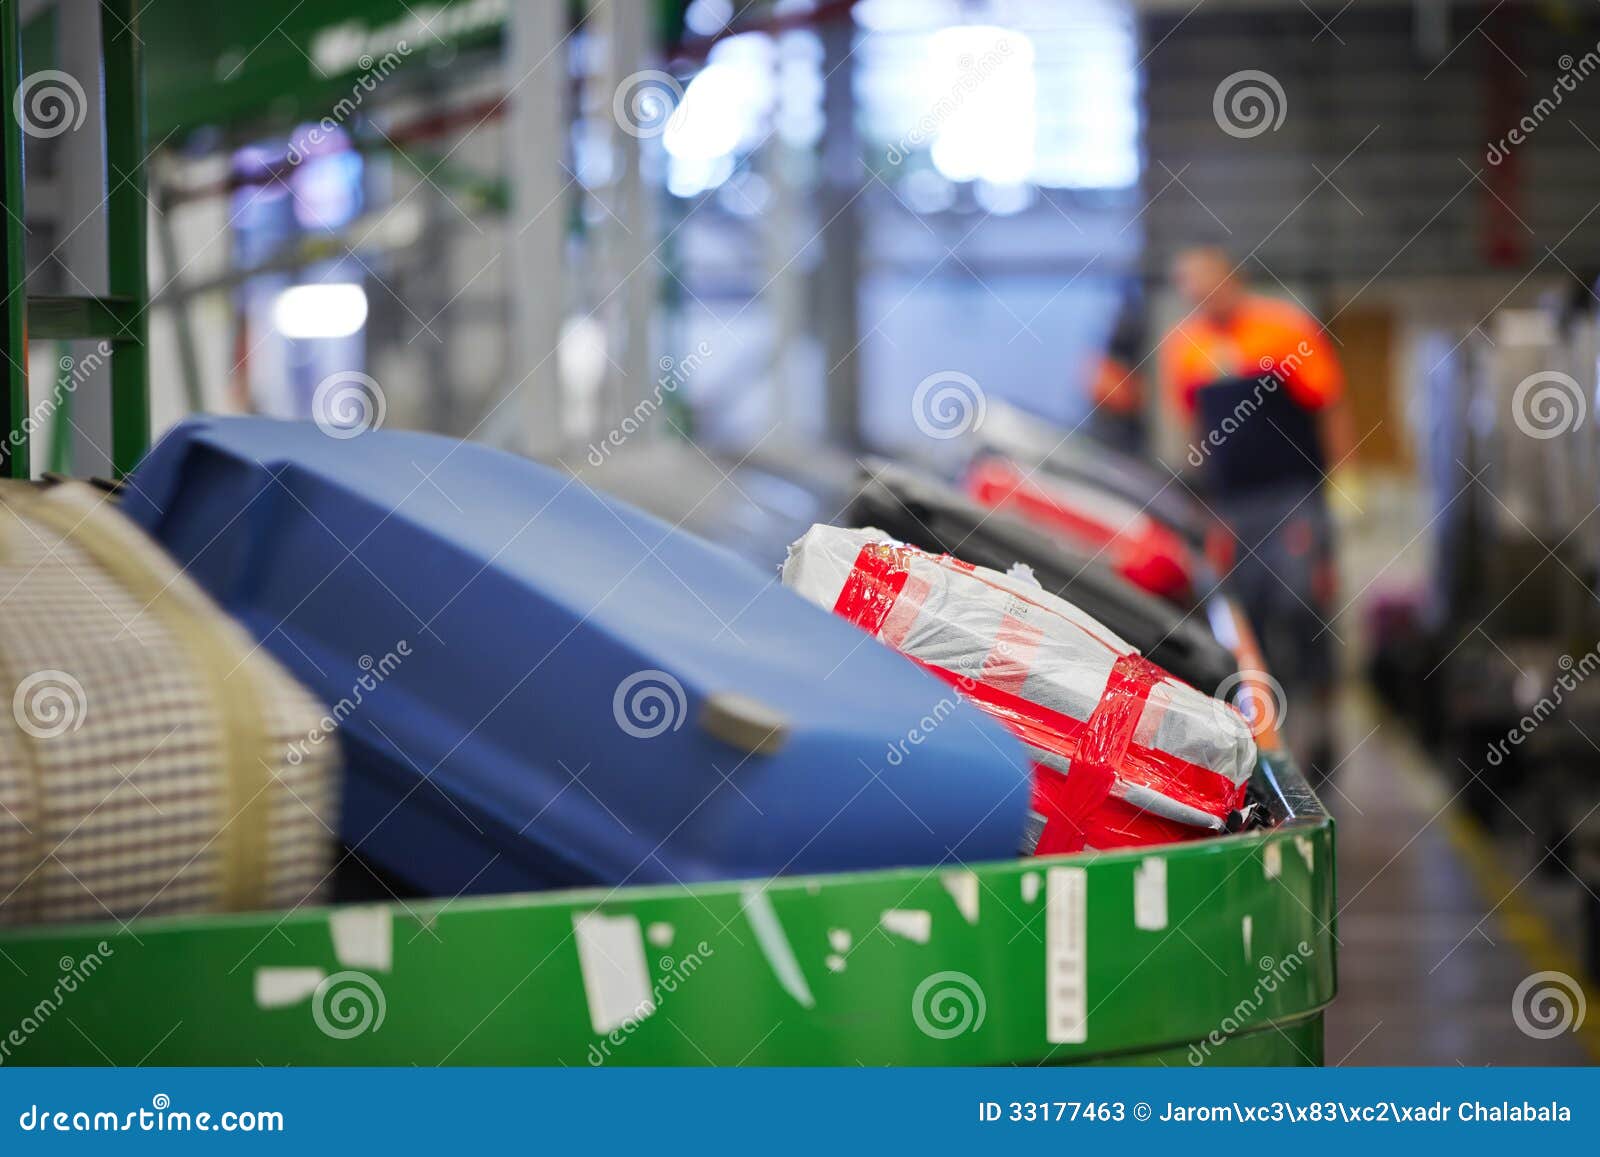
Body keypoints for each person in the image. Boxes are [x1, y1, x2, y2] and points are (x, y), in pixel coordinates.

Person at [1159, 246, 1353, 777]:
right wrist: (1201, 497)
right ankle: (1273, 737)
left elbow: (1329, 404)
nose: (1197, 295)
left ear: (1231, 281)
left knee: (1302, 604)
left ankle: (1323, 725)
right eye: (1188, 286)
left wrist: (1342, 485)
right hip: (1232, 507)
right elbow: (1194, 425)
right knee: (1248, 618)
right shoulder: (1185, 347)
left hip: (1292, 498)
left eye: (1205, 283)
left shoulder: (1285, 330)